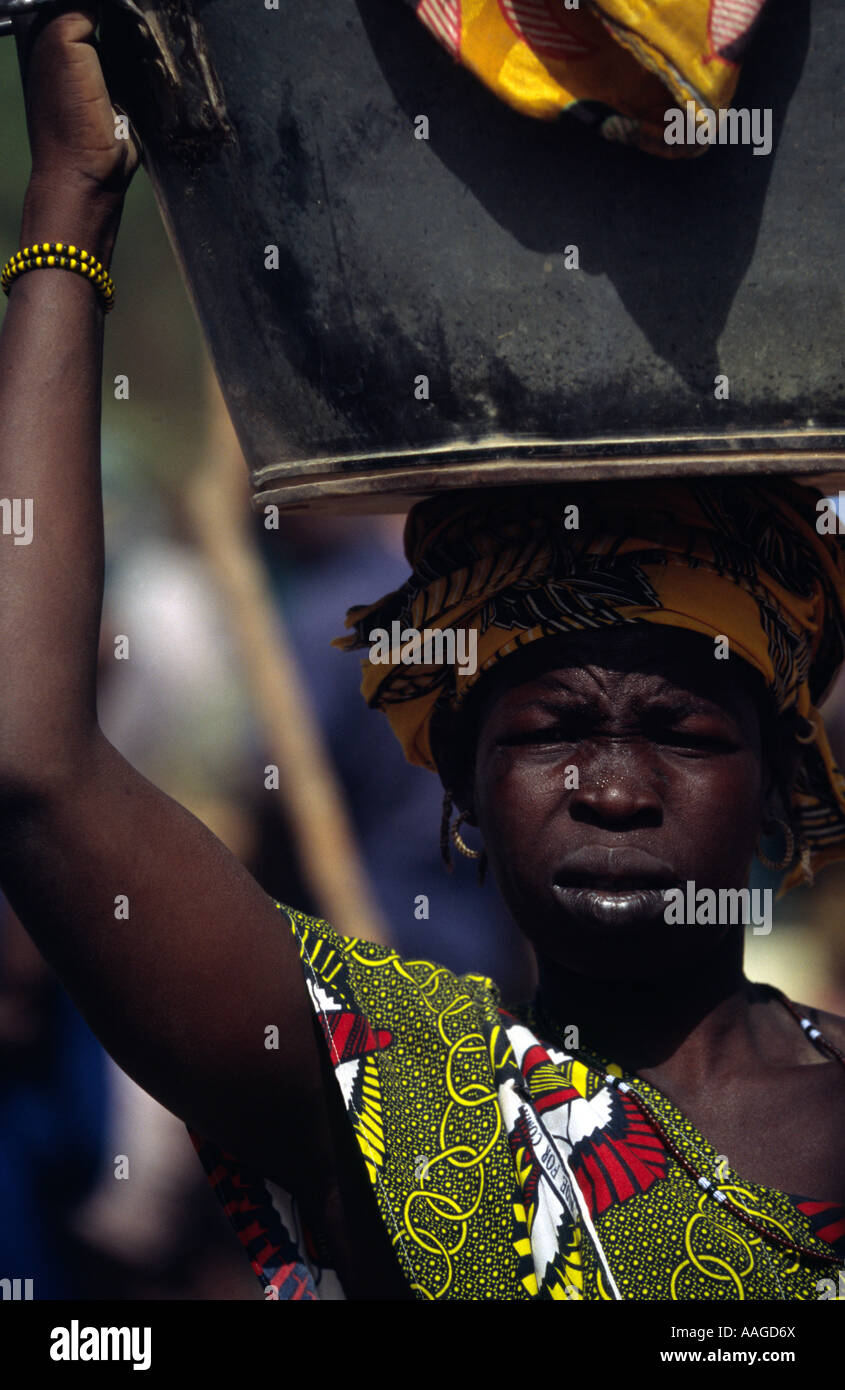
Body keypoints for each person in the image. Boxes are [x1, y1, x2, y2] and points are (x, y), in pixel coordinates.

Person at [0, 10, 842, 1302]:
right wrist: (72, 195)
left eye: (681, 731)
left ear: (784, 778)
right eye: (552, 726)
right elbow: (31, 759)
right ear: (457, 789)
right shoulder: (389, 1090)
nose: (613, 788)